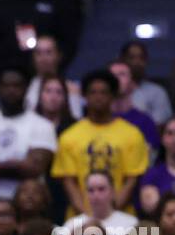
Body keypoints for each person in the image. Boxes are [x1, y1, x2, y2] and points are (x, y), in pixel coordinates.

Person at [51, 70, 149, 218]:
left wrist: (109, 213)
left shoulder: (132, 134)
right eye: (93, 92)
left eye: (104, 92)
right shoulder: (69, 136)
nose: (98, 97)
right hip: (80, 218)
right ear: (84, 96)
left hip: (121, 218)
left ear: (113, 96)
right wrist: (88, 215)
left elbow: (132, 180)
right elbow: (69, 182)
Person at [0, 67, 56, 215]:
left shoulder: (43, 126)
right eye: (6, 86)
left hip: (29, 209)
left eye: (16, 85)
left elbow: (34, 169)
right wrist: (17, 164)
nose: (11, 90)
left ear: (26, 89)